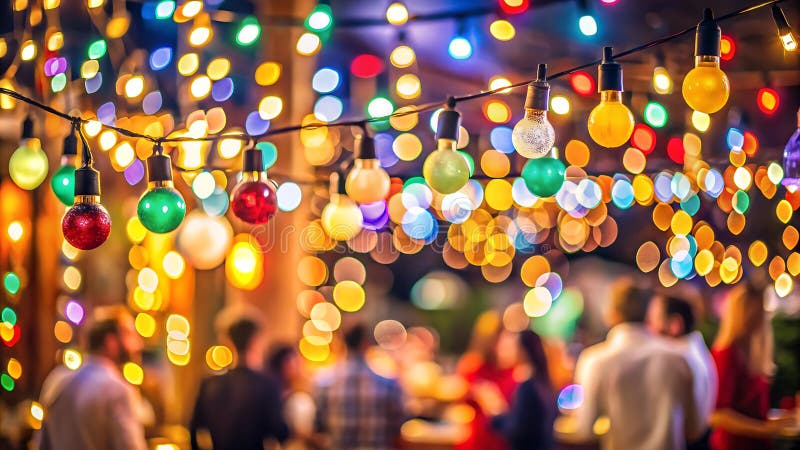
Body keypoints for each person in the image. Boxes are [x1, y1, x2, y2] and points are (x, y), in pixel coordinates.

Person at [573, 278, 703, 450]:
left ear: (612, 314)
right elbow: (695, 428)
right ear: (649, 313)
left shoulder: (594, 360)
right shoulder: (680, 358)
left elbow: (584, 429)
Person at [37, 306, 147, 450]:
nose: (138, 344)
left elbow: (41, 444)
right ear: (110, 341)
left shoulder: (56, 380)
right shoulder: (116, 389)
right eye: (129, 334)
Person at [709, 282, 788, 450]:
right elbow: (718, 414)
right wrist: (764, 429)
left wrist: (784, 420)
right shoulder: (726, 355)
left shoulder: (754, 353)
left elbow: (752, 412)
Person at [190, 317, 288, 450]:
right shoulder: (266, 385)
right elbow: (279, 432)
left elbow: (194, 430)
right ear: (255, 341)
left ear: (229, 342)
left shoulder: (209, 384)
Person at [315, 323, 404, 450]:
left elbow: (319, 426)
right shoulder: (388, 385)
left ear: (343, 341)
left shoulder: (324, 383)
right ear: (366, 343)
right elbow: (398, 425)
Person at [648, 294, 718, 450]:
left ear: (675, 324)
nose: (649, 329)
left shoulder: (678, 359)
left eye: (654, 319)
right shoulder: (695, 351)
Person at [478, 330, 558, 450]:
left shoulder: (528, 386)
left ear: (522, 352)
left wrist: (495, 412)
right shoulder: (543, 382)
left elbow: (517, 430)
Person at [455, 311, 519, 450]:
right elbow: (460, 401)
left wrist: (495, 405)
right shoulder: (473, 367)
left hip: (502, 442)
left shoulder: (518, 374)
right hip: (477, 441)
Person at [267, 344, 317, 450]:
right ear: (286, 365)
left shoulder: (272, 391)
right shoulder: (296, 399)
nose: (301, 367)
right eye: (297, 362)